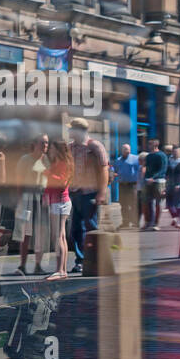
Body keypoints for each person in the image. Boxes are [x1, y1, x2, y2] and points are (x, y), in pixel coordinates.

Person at [68, 117, 108, 275]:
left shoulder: (94, 146)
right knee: (76, 229)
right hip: (74, 192)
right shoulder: (70, 147)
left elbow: (104, 169)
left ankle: (96, 260)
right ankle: (80, 261)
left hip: (90, 192)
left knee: (91, 227)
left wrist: (102, 192)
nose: (69, 132)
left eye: (71, 129)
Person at [15, 134, 50, 276]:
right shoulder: (25, 159)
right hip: (27, 196)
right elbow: (18, 181)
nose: (45, 145)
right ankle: (22, 265)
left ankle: (38, 265)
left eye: (47, 143)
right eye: (43, 142)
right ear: (35, 144)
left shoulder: (47, 160)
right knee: (25, 233)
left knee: (40, 233)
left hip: (42, 197)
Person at [44, 140, 74, 281]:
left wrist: (47, 173)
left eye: (52, 148)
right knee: (60, 236)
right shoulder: (57, 163)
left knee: (58, 236)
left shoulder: (62, 164)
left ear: (58, 150)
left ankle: (60, 270)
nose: (50, 150)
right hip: (58, 201)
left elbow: (61, 183)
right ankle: (62, 270)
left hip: (60, 201)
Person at [110, 142, 141, 230]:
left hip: (132, 185)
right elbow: (114, 170)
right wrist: (113, 174)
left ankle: (135, 222)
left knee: (133, 204)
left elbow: (140, 170)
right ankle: (125, 222)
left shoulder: (135, 159)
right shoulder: (118, 160)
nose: (126, 151)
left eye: (127, 149)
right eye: (124, 149)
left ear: (130, 150)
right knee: (123, 205)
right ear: (121, 150)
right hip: (122, 185)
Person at [142, 139, 169, 230]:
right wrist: (145, 178)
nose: (148, 145)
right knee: (146, 202)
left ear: (156, 145)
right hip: (148, 181)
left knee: (158, 203)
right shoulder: (149, 156)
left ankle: (156, 224)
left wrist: (153, 178)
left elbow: (163, 169)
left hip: (159, 182)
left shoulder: (162, 155)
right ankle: (148, 222)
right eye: (148, 143)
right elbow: (147, 168)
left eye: (150, 144)